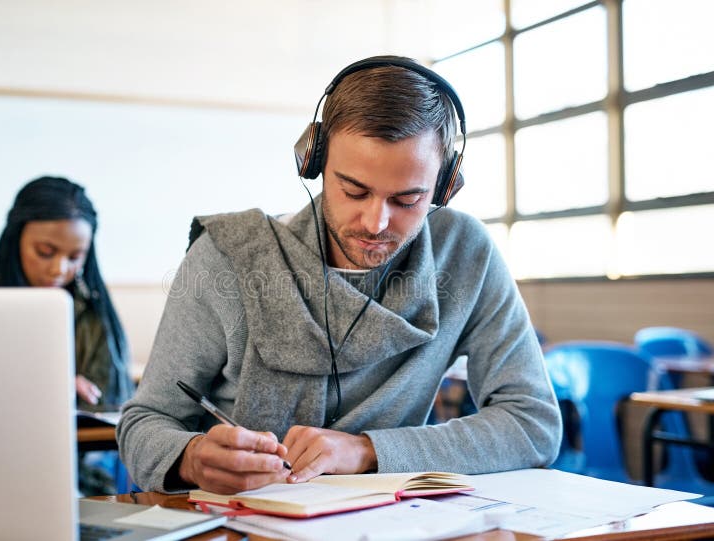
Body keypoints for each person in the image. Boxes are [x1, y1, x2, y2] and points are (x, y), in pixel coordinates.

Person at [117, 56, 561, 495]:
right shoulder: (226, 257)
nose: (375, 222)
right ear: (314, 162)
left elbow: (532, 422)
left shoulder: (463, 254)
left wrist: (367, 451)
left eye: (407, 200)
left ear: (445, 185)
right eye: (353, 190)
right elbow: (143, 424)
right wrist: (192, 458)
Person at [0, 176, 133, 412]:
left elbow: (104, 413)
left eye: (75, 257)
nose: (59, 269)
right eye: (45, 252)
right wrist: (46, 387)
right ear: (15, 240)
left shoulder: (93, 316)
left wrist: (67, 396)